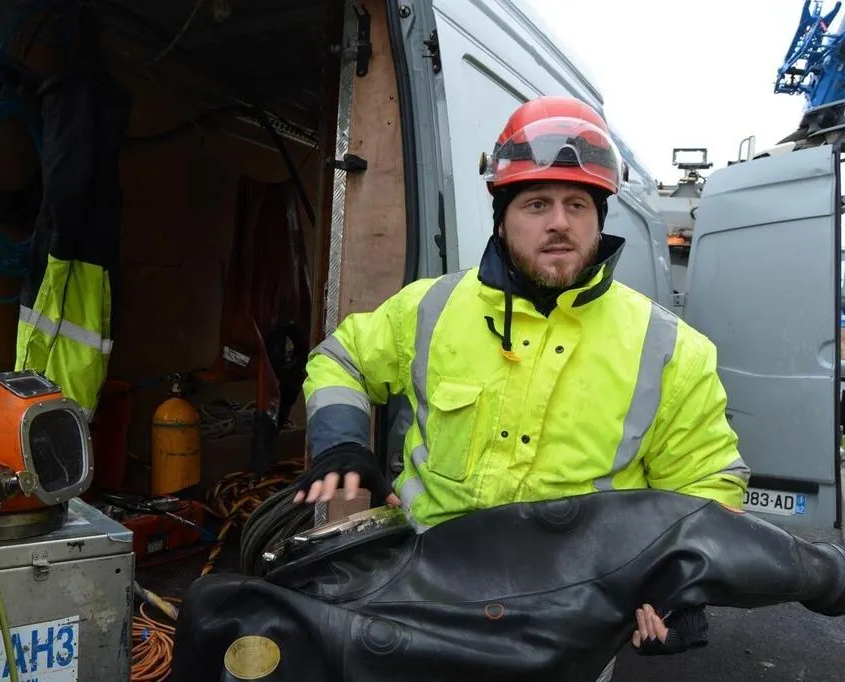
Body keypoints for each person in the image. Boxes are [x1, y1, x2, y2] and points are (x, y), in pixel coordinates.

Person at [293, 95, 749, 678]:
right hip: (425, 596)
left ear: (599, 219)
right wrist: (341, 443)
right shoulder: (431, 308)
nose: (559, 222)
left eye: (577, 205)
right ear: (501, 217)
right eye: (536, 203)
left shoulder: (669, 348)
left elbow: (706, 483)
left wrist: (681, 587)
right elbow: (342, 360)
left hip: (572, 621)